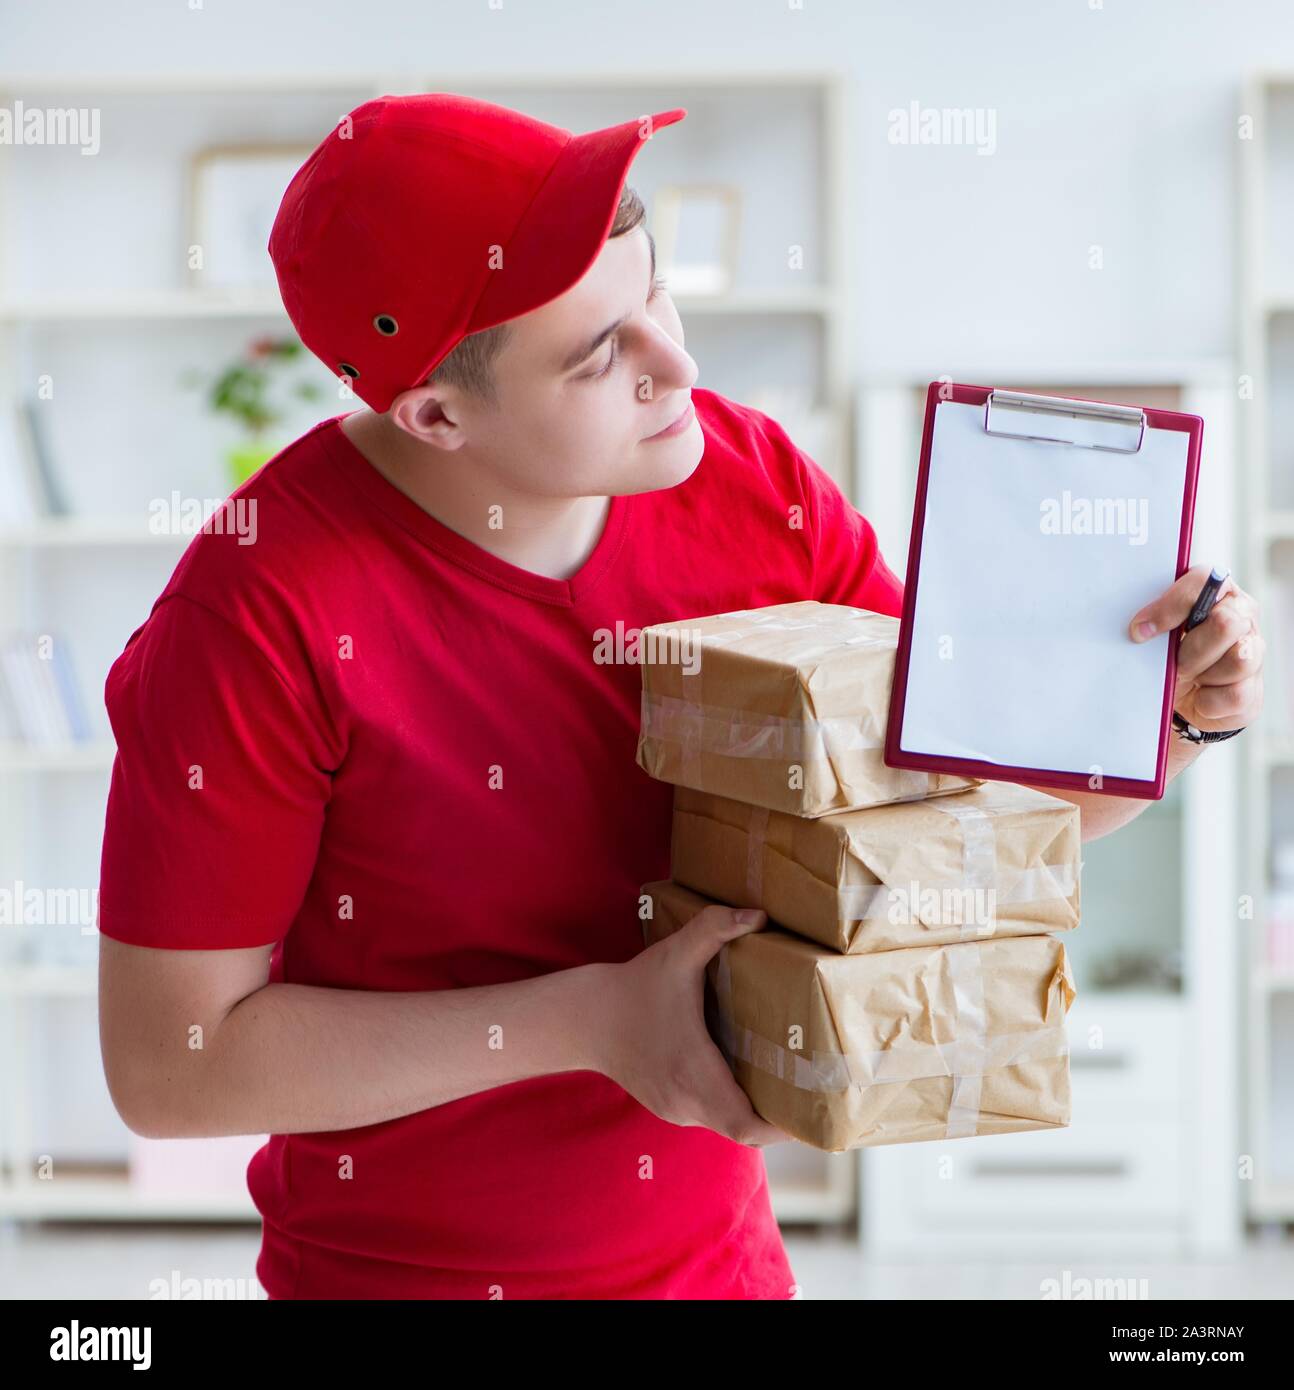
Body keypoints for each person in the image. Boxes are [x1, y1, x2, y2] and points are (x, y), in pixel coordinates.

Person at [96, 93, 1264, 1301]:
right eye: (604, 356)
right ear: (436, 416)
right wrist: (592, 1021)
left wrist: (1159, 722)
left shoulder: (752, 480)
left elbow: (959, 823)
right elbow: (170, 1066)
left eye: (653, 291)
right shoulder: (251, 618)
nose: (680, 363)